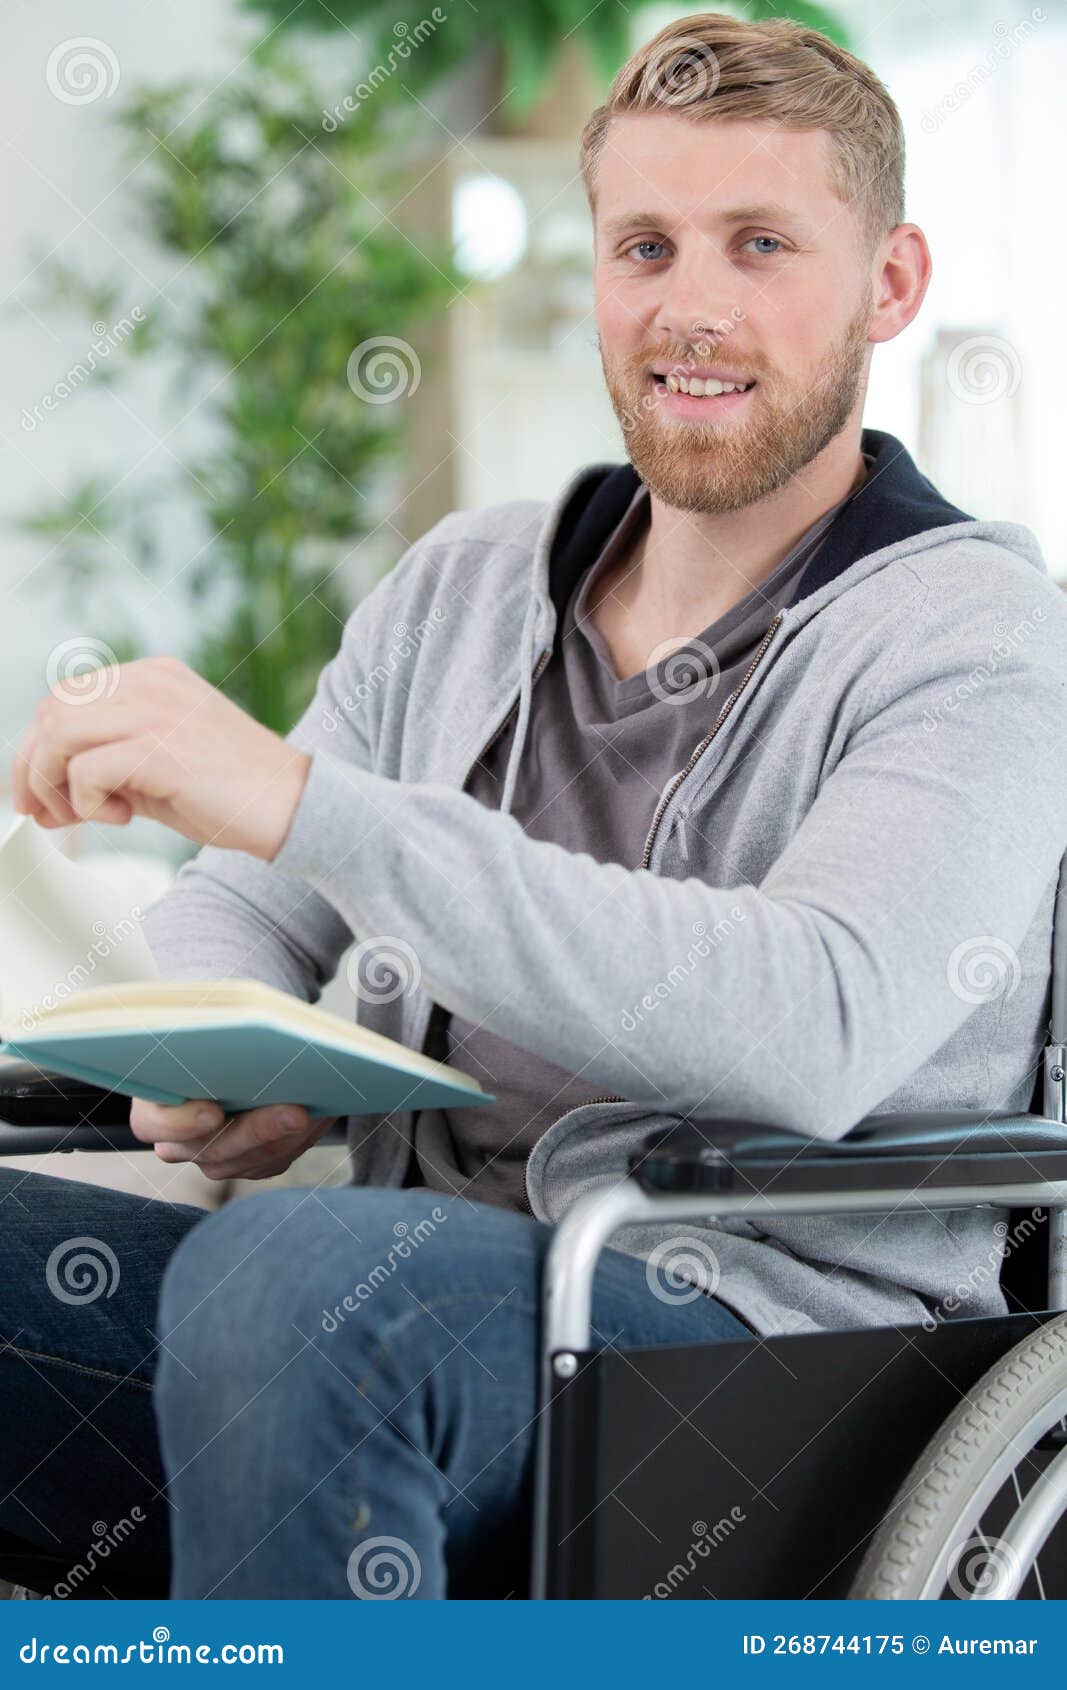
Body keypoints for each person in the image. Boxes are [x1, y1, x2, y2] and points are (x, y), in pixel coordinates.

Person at [2, 11, 1066, 1600]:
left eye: (760, 244)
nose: (689, 306)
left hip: (767, 1364)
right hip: (387, 1332)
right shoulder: (467, 582)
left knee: (305, 1279)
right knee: (296, 1280)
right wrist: (203, 1047)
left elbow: (811, 1027)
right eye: (645, 245)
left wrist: (308, 803)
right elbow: (258, 901)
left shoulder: (980, 635)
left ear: (890, 284)